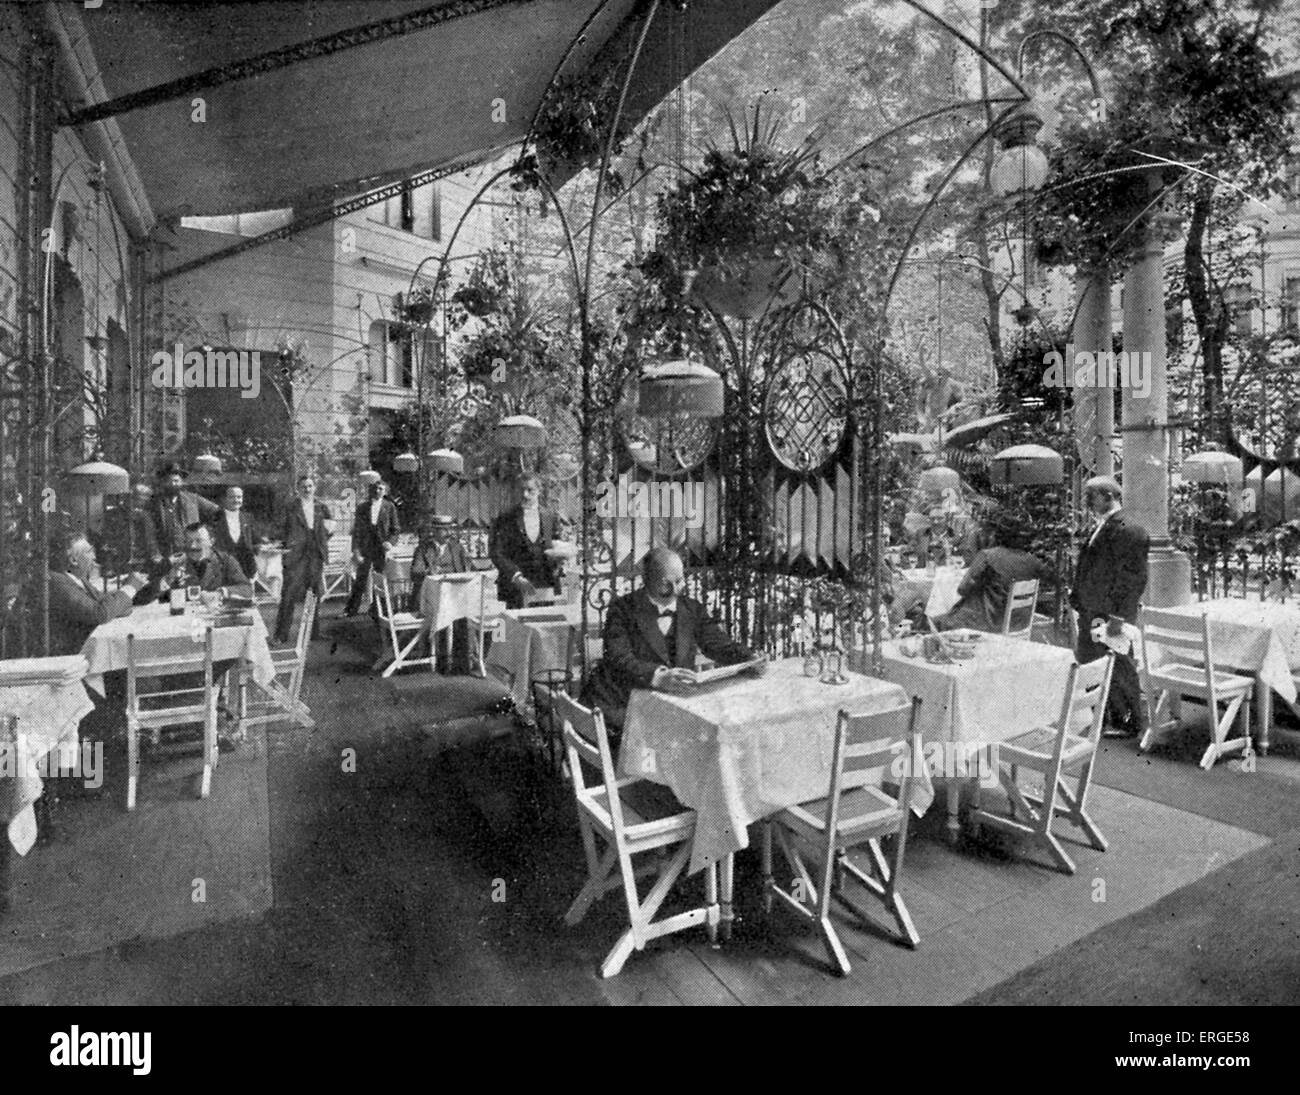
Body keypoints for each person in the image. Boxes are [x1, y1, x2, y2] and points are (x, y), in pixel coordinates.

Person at [581, 546, 766, 732]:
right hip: (618, 708)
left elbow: (718, 644)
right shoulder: (621, 609)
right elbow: (618, 658)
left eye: (679, 581)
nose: (675, 590)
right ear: (646, 580)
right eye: (665, 584)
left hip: (672, 707)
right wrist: (658, 678)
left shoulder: (692, 609)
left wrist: (748, 658)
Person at [1070, 475, 1150, 737]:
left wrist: (1119, 618)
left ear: (1109, 496)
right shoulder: (1107, 525)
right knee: (1094, 660)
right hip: (1093, 610)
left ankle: (1128, 722)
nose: (1087, 502)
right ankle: (1106, 717)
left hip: (1108, 613)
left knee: (1117, 663)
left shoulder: (1128, 529)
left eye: (1090, 496)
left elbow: (1133, 580)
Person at [935, 515, 1053, 633]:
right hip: (1018, 622)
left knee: (936, 621)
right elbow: (1050, 580)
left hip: (986, 622)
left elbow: (962, 589)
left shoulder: (987, 556)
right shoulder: (1032, 561)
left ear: (998, 535)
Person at [43, 531, 148, 656]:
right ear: (74, 560)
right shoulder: (57, 581)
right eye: (89, 552)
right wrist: (129, 588)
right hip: (67, 656)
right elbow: (100, 613)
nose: (94, 557)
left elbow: (108, 604)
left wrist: (115, 604)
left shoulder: (78, 579)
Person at [274, 474, 332, 644]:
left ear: (314, 488)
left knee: (314, 594)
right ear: (297, 489)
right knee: (289, 594)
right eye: (303, 487)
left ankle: (314, 633)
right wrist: (289, 545)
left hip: (315, 556)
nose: (307, 489)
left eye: (310, 486)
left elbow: (330, 528)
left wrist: (320, 543)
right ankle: (281, 635)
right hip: (296, 556)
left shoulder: (322, 507)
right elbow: (281, 528)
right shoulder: (290, 507)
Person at [409, 515, 472, 673]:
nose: (448, 532)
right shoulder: (424, 548)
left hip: (454, 594)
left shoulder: (456, 547)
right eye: (444, 529)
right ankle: (442, 661)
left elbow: (468, 568)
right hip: (429, 596)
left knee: (463, 613)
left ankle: (461, 661)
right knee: (444, 613)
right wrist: (428, 571)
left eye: (450, 529)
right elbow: (415, 573)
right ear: (435, 531)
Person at [490, 473, 562, 610]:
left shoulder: (550, 516)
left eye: (530, 490)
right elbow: (496, 552)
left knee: (545, 626)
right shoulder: (506, 518)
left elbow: (556, 545)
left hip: (544, 583)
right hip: (516, 586)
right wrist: (516, 577)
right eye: (521, 490)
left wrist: (559, 560)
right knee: (518, 628)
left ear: (539, 491)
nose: (525, 494)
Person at [343, 480, 400, 617]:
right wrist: (356, 551)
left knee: (380, 579)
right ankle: (351, 609)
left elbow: (396, 529)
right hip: (365, 547)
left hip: (381, 548)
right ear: (370, 490)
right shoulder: (362, 507)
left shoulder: (389, 507)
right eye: (375, 488)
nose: (377, 491)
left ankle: (376, 610)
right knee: (360, 578)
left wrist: (390, 543)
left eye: (381, 489)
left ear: (385, 491)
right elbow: (356, 531)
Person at [147, 461, 220, 563]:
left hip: (191, 553)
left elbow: (216, 512)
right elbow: (150, 532)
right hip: (166, 557)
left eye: (176, 481)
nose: (173, 484)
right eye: (169, 481)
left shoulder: (193, 499)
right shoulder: (154, 503)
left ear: (182, 482)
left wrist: (207, 533)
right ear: (163, 483)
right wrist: (157, 557)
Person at [166, 524, 253, 601]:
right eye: (189, 541)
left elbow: (247, 589)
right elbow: (163, 595)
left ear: (211, 541)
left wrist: (221, 593)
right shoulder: (177, 562)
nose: (193, 546)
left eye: (199, 541)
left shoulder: (226, 561)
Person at [208, 485, 258, 580]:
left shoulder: (248, 518)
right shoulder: (215, 518)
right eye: (232, 497)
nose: (236, 500)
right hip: (223, 568)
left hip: (245, 569)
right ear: (225, 499)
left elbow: (253, 542)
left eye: (239, 497)